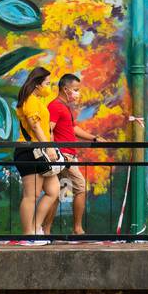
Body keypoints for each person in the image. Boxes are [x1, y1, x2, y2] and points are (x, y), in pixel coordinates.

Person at [43, 73, 100, 237]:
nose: (77, 93)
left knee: (55, 193)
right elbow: (49, 129)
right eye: (75, 89)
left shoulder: (64, 107)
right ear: (65, 89)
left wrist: (93, 138)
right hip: (64, 157)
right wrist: (54, 151)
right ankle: (77, 229)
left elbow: (73, 129)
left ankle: (45, 231)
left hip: (64, 156)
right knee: (80, 187)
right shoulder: (55, 106)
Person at [13, 66, 60, 242]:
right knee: (30, 195)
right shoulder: (30, 100)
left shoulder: (38, 101)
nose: (49, 86)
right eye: (47, 83)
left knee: (53, 190)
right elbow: (35, 126)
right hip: (30, 151)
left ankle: (35, 228)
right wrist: (48, 146)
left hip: (41, 152)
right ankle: (27, 235)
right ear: (38, 84)